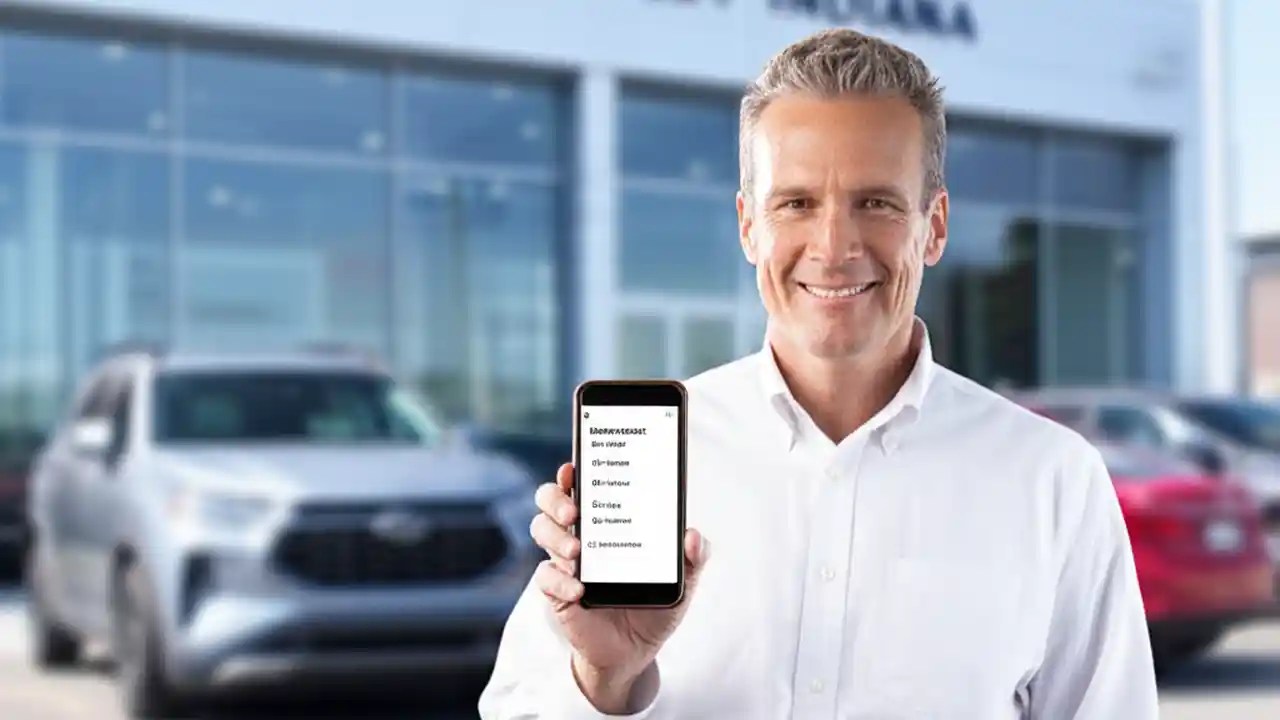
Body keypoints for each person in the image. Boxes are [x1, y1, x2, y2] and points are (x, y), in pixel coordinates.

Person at [479, 27, 1158, 719]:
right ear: (749, 226)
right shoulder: (651, 464)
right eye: (797, 203)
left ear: (936, 225)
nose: (834, 248)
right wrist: (604, 682)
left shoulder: (1052, 480)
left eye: (877, 203)